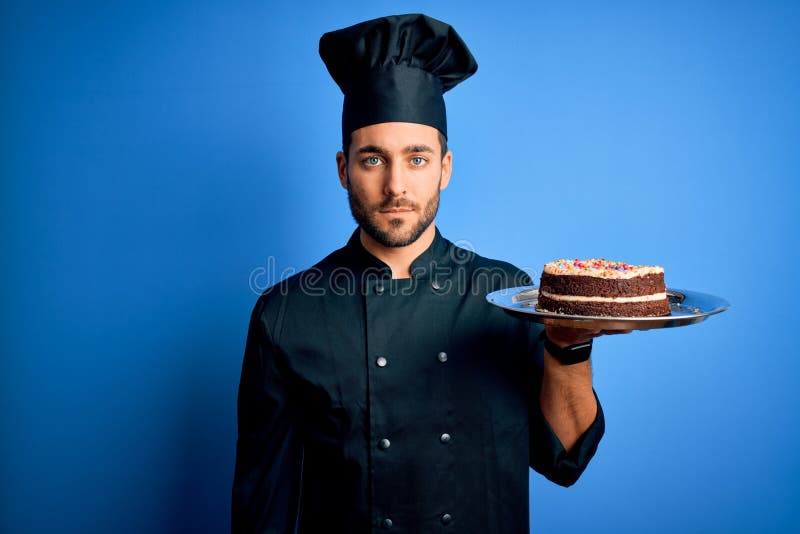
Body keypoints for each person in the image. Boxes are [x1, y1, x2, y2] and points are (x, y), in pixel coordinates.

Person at [232, 14, 612, 533]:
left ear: (445, 167)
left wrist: (569, 348)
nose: (395, 186)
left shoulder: (509, 295)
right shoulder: (287, 314)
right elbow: (263, 510)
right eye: (373, 160)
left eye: (416, 159)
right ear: (343, 169)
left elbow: (565, 459)